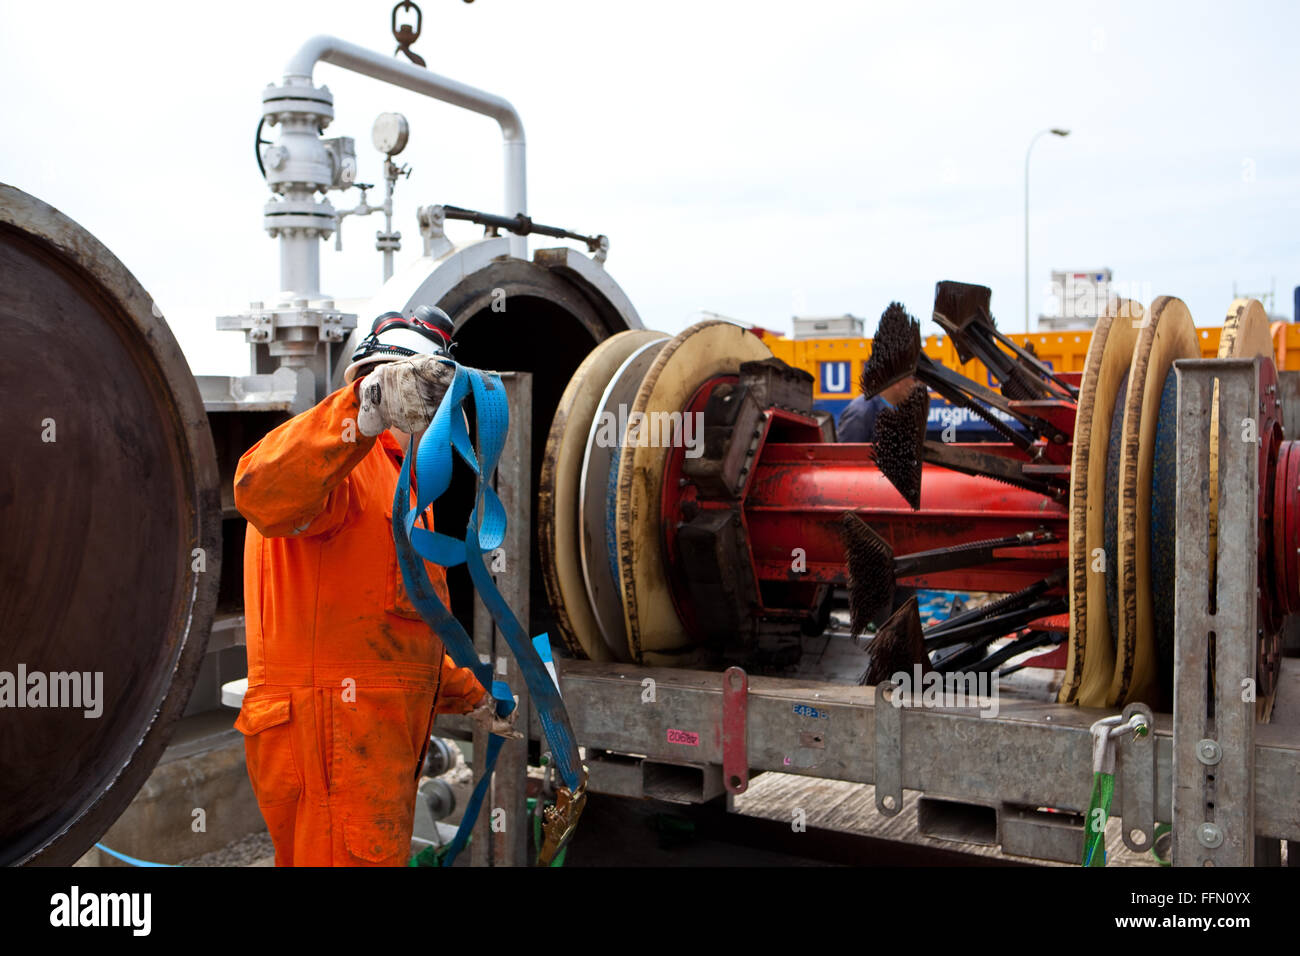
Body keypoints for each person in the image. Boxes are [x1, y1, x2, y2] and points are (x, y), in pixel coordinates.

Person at [233, 307, 515, 867]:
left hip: (370, 747)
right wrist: (362, 414)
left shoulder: (407, 485)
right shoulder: (337, 462)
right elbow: (257, 489)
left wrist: (471, 693)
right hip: (332, 743)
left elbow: (409, 635)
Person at [836, 376, 922, 442]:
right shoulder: (860, 414)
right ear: (897, 380)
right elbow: (847, 460)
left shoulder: (901, 408)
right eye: (915, 379)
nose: (920, 384)